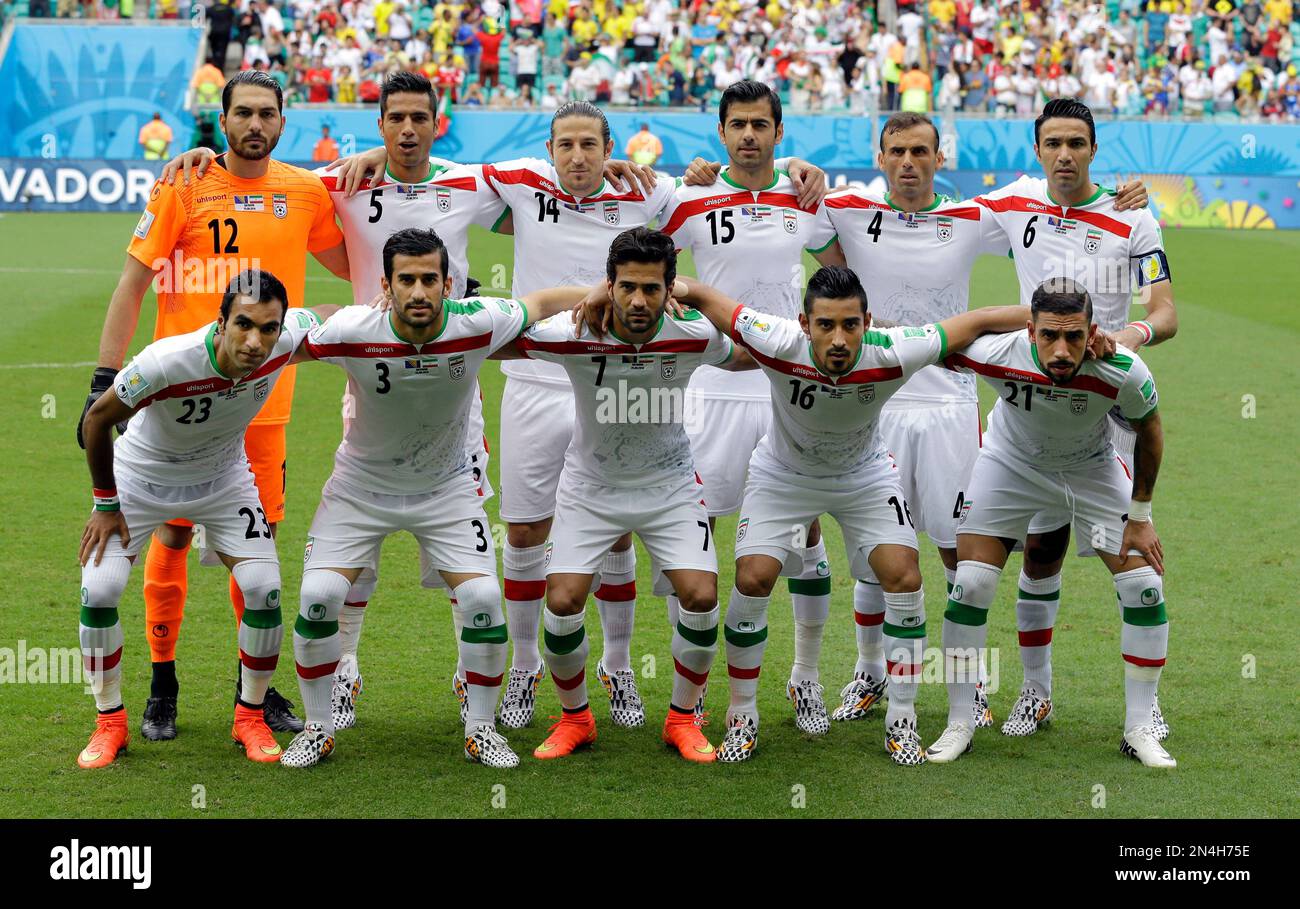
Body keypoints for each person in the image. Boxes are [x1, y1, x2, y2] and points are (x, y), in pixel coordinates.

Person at [819, 112, 1150, 730]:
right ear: (881, 157)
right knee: (871, 550)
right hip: (874, 400)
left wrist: (1129, 201)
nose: (910, 162)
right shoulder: (845, 207)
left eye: (922, 151)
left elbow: (1060, 214)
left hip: (949, 403)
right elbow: (781, 194)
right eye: (898, 151)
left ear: (940, 157)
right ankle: (867, 674)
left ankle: (962, 693)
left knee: (957, 558)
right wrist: (784, 169)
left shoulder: (974, 217)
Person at [79, 71, 350, 743]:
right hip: (179, 399)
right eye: (243, 113)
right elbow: (133, 281)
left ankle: (247, 691)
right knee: (171, 533)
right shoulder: (185, 182)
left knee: (253, 548)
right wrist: (104, 376)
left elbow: (356, 258)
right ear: (220, 121)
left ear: (283, 122)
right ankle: (162, 679)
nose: (255, 124)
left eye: (267, 113)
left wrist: (373, 166)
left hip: (265, 403)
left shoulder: (306, 190)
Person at [676, 267, 1027, 764]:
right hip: (783, 475)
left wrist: (1056, 320)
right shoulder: (774, 339)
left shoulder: (893, 348)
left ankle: (901, 720)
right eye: (825, 325)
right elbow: (710, 298)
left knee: (903, 577)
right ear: (804, 323)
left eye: (850, 325)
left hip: (864, 476)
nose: (838, 339)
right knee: (753, 579)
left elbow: (979, 320)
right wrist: (675, 289)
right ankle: (743, 715)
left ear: (867, 321)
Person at [281, 228, 600, 768]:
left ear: (449, 283)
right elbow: (293, 332)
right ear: (385, 285)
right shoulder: (354, 330)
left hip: (448, 489)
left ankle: (481, 728)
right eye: (406, 280)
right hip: (360, 490)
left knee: (481, 601)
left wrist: (602, 293)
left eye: (430, 279)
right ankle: (317, 727)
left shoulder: (476, 321)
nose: (419, 291)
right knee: (318, 597)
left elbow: (542, 302)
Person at [75, 270, 336, 768]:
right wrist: (106, 503)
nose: (255, 341)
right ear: (220, 322)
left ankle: (249, 717)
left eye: (268, 328)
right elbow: (97, 420)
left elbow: (327, 316)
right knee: (100, 590)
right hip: (141, 481)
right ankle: (110, 722)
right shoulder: (166, 361)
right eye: (243, 325)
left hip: (223, 481)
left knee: (264, 588)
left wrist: (384, 306)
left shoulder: (285, 337)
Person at [513, 228, 745, 762]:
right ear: (608, 285)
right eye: (626, 288)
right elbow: (503, 331)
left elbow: (752, 350)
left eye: (651, 289)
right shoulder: (573, 333)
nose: (638, 301)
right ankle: (576, 721)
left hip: (670, 487)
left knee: (702, 596)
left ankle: (682, 720)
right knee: (563, 600)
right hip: (590, 489)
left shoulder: (695, 335)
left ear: (671, 290)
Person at [928, 278, 1174, 770]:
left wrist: (1141, 516)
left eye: (1074, 337)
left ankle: (1139, 727)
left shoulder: (1121, 368)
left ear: (1093, 332)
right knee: (971, 583)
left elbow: (1149, 429)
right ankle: (959, 722)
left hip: (1090, 470)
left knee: (1145, 586)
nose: (1061, 351)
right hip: (1010, 466)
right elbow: (931, 341)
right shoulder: (998, 352)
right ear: (1029, 330)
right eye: (1048, 336)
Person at [660, 81, 841, 733]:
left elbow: (841, 272)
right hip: (711, 387)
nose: (748, 135)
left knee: (804, 531)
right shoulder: (689, 199)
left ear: (778, 130)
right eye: (736, 124)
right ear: (721, 130)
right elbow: (640, 265)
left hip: (785, 388)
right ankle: (694, 690)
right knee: (696, 538)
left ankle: (807, 677)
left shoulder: (807, 198)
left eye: (760, 124)